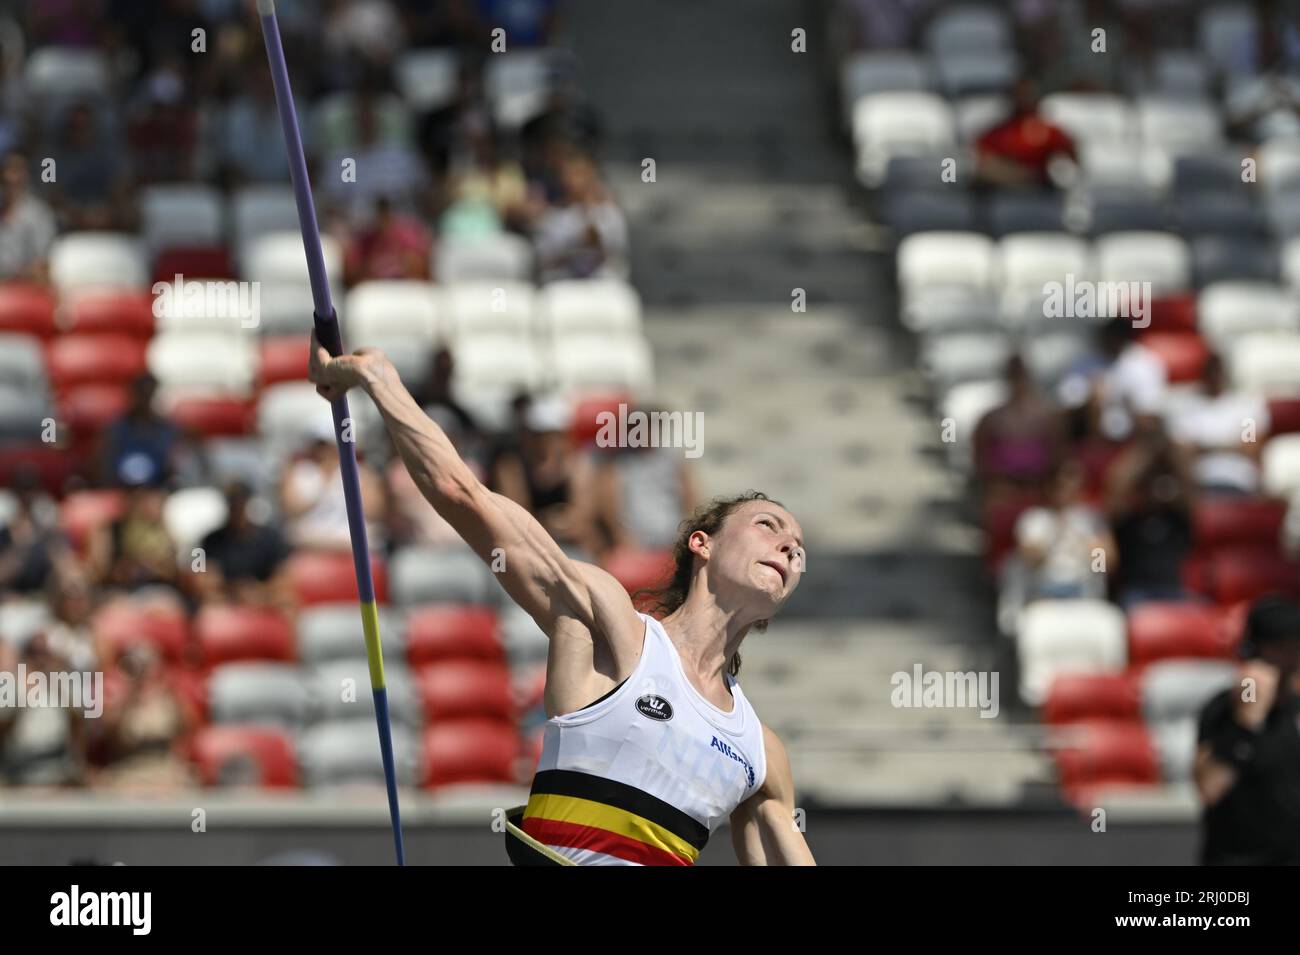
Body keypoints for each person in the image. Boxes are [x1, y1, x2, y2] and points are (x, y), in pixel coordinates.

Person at [307, 334, 815, 865]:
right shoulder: (609, 626)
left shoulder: (760, 754)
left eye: (798, 547)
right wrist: (382, 382)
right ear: (701, 543)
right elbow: (465, 497)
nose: (789, 546)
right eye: (768, 525)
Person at [1194, 595, 1300, 865]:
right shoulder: (1222, 712)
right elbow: (1209, 788)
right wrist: (1246, 725)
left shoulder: (1295, 709)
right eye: (1281, 647)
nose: (1290, 657)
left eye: (1295, 646)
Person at [1105, 420, 1197, 610]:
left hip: (1174, 590)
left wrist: (1170, 453)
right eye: (1147, 486)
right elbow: (1116, 488)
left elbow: (1191, 490)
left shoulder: (1176, 517)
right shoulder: (1129, 520)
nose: (1154, 492)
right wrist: (1144, 454)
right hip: (1137, 591)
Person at [1166, 354, 1268, 496]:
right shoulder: (1184, 407)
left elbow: (1250, 447)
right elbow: (1183, 450)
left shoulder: (1247, 406)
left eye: (1217, 370)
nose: (1214, 376)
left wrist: (1204, 447)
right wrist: (1231, 446)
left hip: (1239, 481)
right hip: (1198, 482)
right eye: (1210, 371)